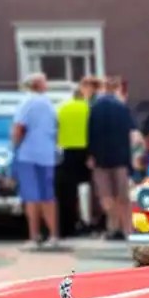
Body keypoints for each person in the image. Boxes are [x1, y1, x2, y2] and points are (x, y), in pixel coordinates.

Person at [11, 73, 60, 251]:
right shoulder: (49, 104)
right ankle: (53, 235)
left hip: (29, 154)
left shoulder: (26, 103)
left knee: (31, 197)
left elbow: (18, 128)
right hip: (47, 155)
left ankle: (34, 236)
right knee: (48, 196)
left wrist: (14, 146)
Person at [87, 76, 136, 240]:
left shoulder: (95, 107)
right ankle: (127, 228)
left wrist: (91, 155)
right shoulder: (122, 108)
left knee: (106, 195)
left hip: (101, 158)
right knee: (123, 196)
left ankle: (112, 226)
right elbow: (130, 133)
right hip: (121, 158)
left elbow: (91, 133)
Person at [54, 76, 96, 238]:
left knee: (68, 191)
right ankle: (87, 221)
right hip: (85, 152)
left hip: (66, 153)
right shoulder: (88, 108)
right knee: (87, 189)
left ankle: (68, 223)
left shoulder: (63, 109)